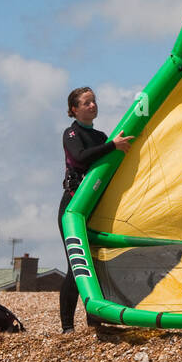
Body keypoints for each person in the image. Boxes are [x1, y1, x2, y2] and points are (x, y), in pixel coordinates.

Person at [58, 87, 134, 333]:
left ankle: (95, 321)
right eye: (86, 102)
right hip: (72, 208)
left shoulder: (101, 136)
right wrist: (112, 145)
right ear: (74, 109)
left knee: (97, 263)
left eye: (94, 101)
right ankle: (67, 327)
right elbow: (81, 158)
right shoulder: (71, 133)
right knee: (76, 265)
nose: (92, 106)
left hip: (95, 207)